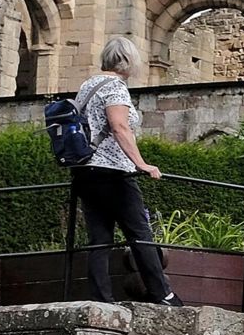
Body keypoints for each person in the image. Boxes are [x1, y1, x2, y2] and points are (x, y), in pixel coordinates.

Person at [69, 37, 181, 307]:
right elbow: (119, 126)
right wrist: (141, 163)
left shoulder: (88, 85)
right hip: (113, 171)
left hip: (84, 170)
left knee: (99, 238)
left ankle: (100, 299)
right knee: (140, 233)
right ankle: (162, 294)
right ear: (128, 62)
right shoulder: (116, 88)